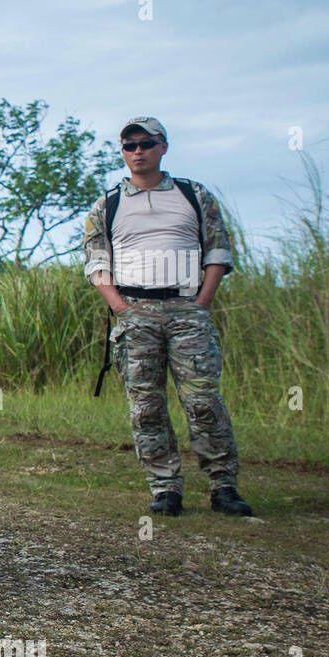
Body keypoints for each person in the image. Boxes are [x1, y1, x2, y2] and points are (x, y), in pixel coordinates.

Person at [83, 116, 252, 517]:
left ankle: (223, 487)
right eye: (129, 146)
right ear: (123, 152)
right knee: (146, 404)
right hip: (135, 312)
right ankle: (165, 488)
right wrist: (120, 307)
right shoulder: (108, 204)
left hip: (187, 309)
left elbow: (217, 252)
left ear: (163, 146)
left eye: (146, 143)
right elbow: (95, 262)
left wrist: (201, 304)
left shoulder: (193, 195)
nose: (138, 151)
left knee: (203, 399)